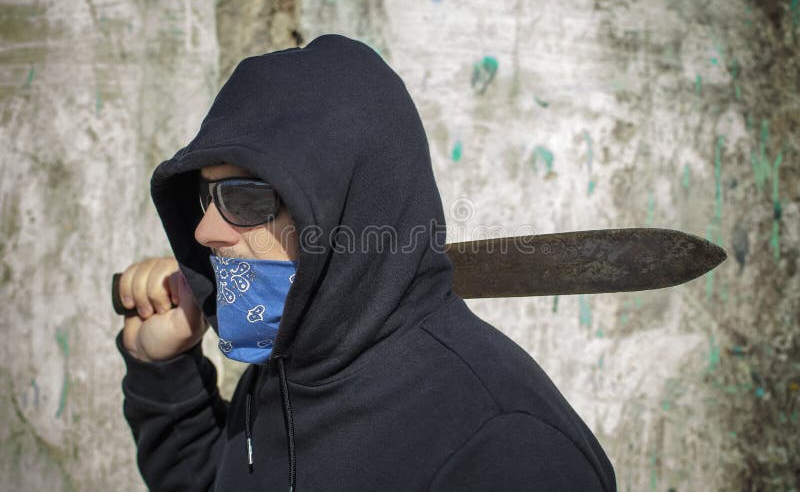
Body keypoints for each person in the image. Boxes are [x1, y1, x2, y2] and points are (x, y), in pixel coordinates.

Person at [116, 34, 617, 491]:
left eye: (245, 198)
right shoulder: (288, 371)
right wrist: (163, 370)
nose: (205, 231)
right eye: (206, 195)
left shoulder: (504, 447)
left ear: (348, 210)